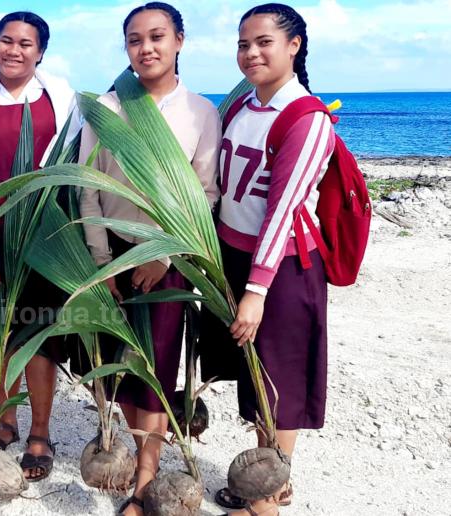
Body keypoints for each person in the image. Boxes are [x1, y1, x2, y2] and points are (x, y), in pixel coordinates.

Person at [77, 3, 221, 514]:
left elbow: (205, 194)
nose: (147, 48)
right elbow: (87, 191)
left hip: (168, 258)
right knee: (120, 367)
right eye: (135, 40)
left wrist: (164, 255)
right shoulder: (104, 109)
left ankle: (144, 479)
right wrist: (99, 260)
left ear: (179, 40)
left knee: (156, 369)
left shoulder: (202, 112)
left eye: (157, 36)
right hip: (111, 253)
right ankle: (131, 458)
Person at [206, 4, 335, 515]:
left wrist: (255, 291)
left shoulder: (306, 119)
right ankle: (267, 481)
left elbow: (281, 212)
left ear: (294, 46)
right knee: (255, 377)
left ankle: (266, 495)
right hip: (236, 257)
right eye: (243, 44)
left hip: (281, 271)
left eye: (263, 42)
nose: (251, 53)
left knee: (278, 382)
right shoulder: (241, 109)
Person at [0, 11, 81, 482]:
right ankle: (6, 420)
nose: (14, 50)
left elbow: (75, 167)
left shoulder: (63, 97)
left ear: (40, 52)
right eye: (6, 41)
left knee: (39, 336)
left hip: (45, 235)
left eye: (26, 44)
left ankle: (41, 432)